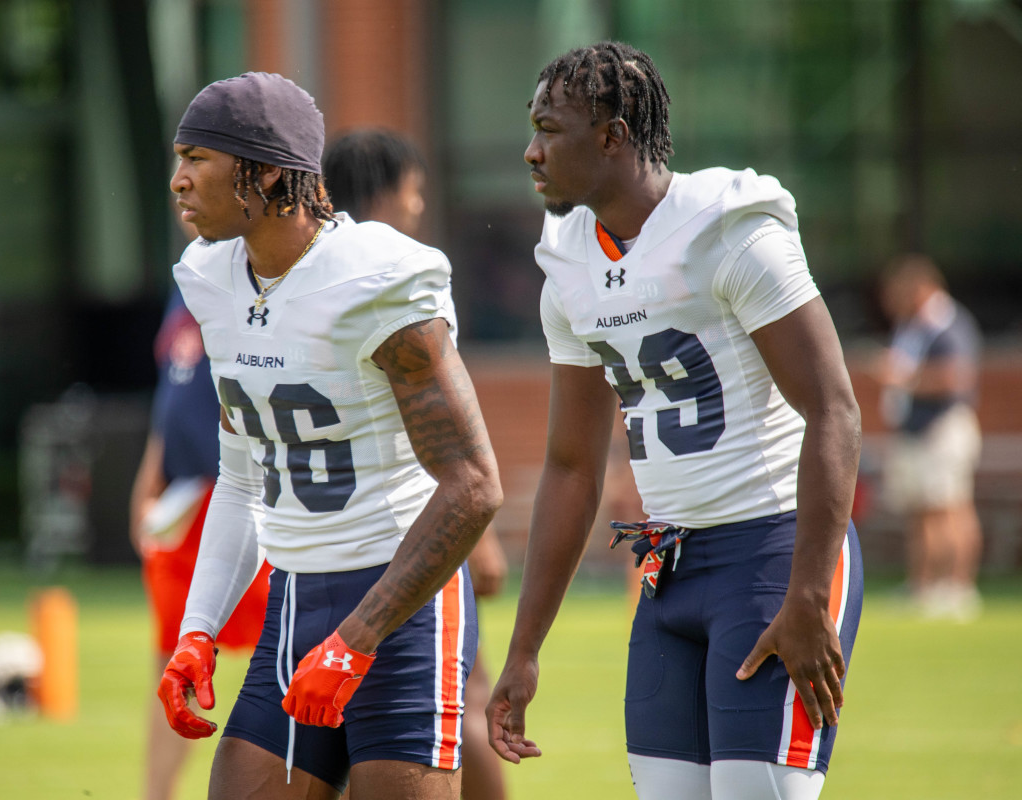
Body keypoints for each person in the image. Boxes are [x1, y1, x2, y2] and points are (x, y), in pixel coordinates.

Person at [486, 43, 864, 800]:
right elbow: (571, 466)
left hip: (771, 548)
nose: (531, 151)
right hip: (668, 566)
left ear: (613, 137)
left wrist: (807, 595)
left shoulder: (729, 231)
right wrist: (524, 649)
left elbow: (835, 410)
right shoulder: (566, 265)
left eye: (549, 129)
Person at [155, 73, 503, 800]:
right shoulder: (211, 278)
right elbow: (244, 480)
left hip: (399, 610)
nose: (178, 181)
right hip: (292, 603)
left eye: (197, 159)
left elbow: (473, 485)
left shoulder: (376, 279)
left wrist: (358, 639)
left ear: (267, 170)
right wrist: (198, 629)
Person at [323, 128, 511, 800]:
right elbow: (440, 438)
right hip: (411, 535)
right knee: (459, 697)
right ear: (385, 192)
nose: (418, 206)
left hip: (326, 541)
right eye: (414, 192)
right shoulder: (402, 275)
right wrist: (479, 541)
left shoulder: (306, 280)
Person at [130, 254, 274, 800]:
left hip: (248, 494)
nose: (181, 181)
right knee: (171, 662)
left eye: (197, 161)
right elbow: (174, 388)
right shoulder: (191, 274)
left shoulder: (262, 264)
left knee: (286, 654)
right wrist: (149, 479)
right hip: (183, 500)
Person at [877, 254, 983, 621]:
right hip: (914, 430)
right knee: (920, 511)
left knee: (950, 507)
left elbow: (954, 379)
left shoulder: (949, 323)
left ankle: (957, 586)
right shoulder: (913, 327)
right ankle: (923, 585)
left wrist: (903, 380)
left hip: (943, 428)